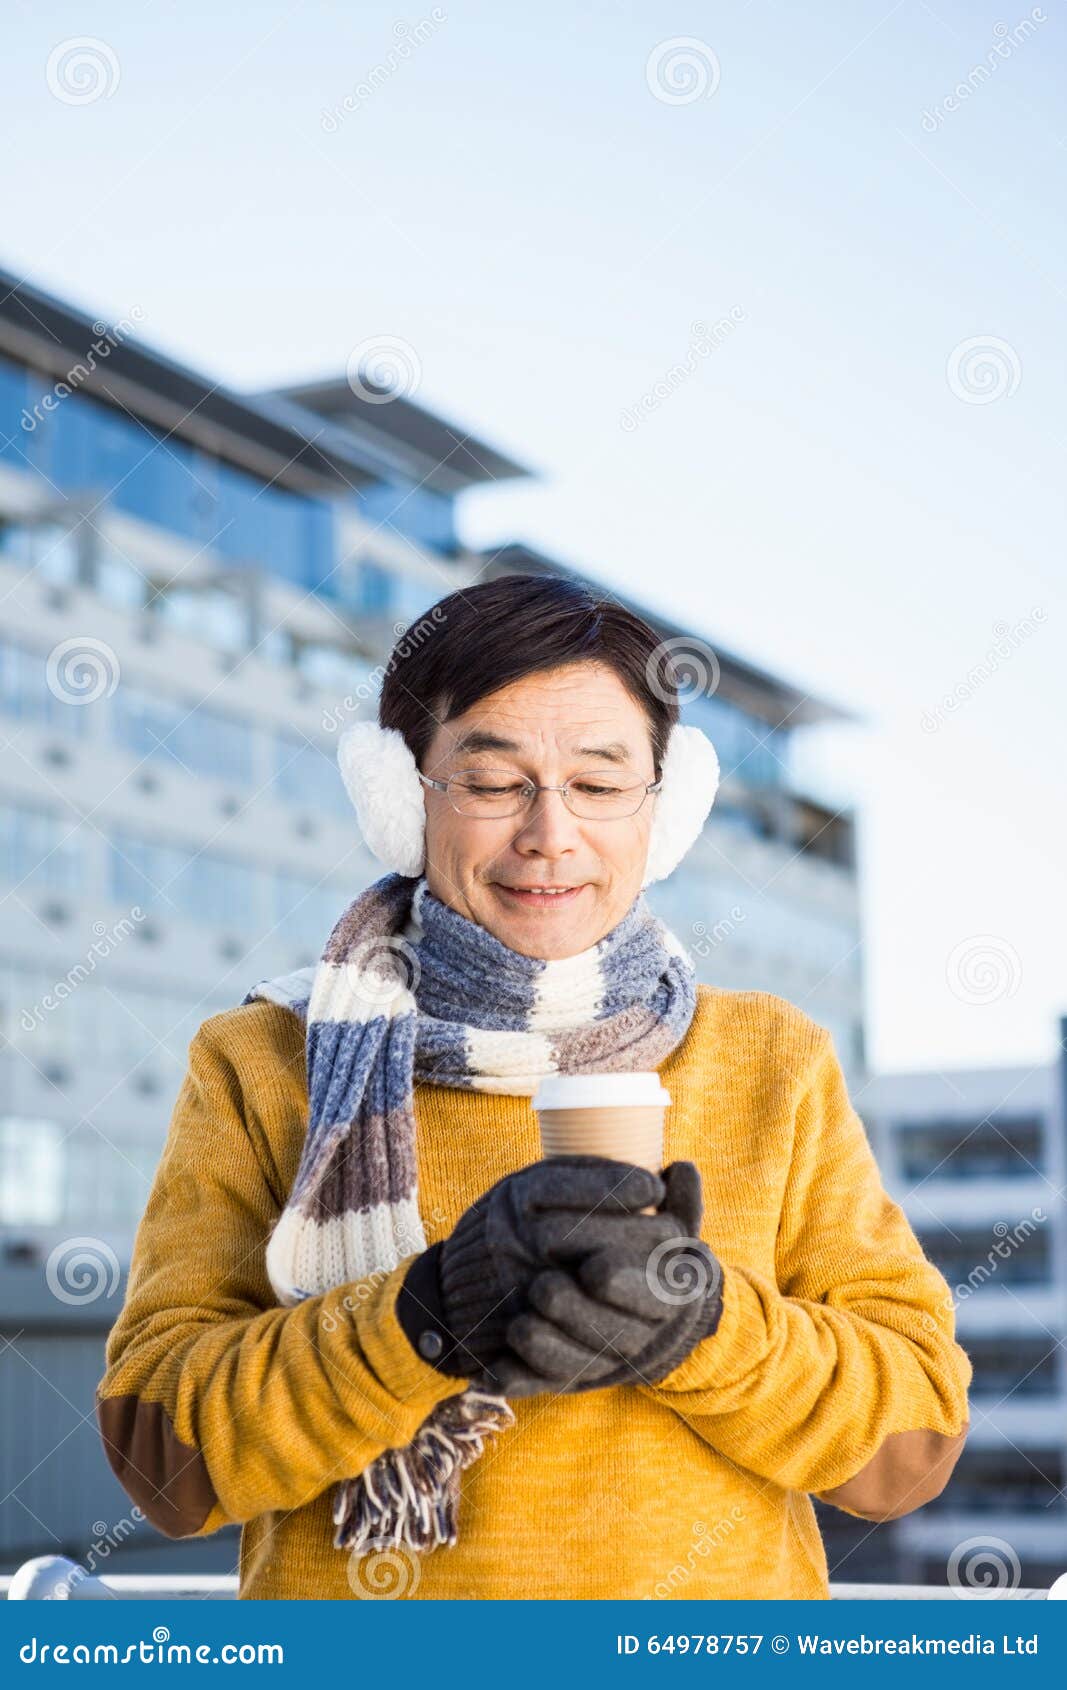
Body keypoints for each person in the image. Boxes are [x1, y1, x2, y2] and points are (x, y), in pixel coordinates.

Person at [95, 572, 971, 1600]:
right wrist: (421, 1316)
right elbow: (163, 1461)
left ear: (665, 809)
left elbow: (910, 1443)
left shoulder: (771, 1060)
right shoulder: (262, 1059)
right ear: (400, 798)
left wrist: (700, 1326)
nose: (549, 834)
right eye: (492, 780)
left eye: (598, 785)